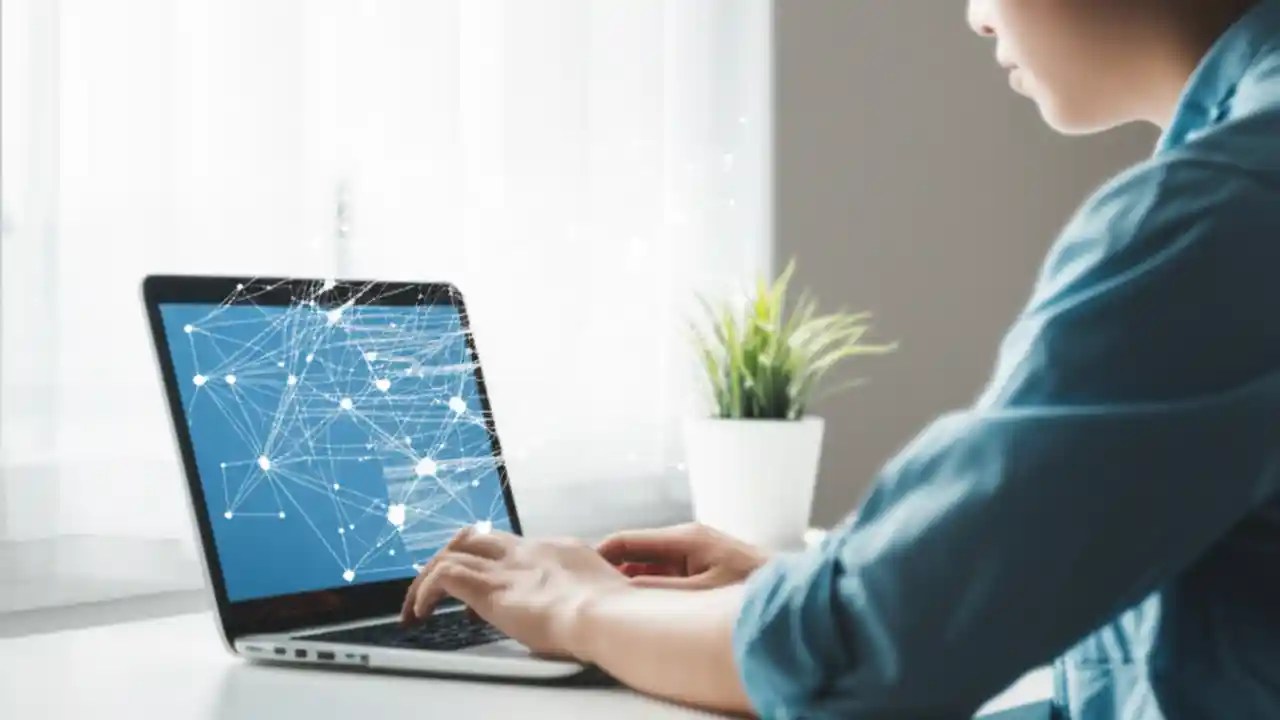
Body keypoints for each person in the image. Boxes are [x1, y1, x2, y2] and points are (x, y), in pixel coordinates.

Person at [401, 1, 1280, 717]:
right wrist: (821, 588)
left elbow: (869, 655)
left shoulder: (1221, 211)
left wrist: (579, 606)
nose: (974, 19)